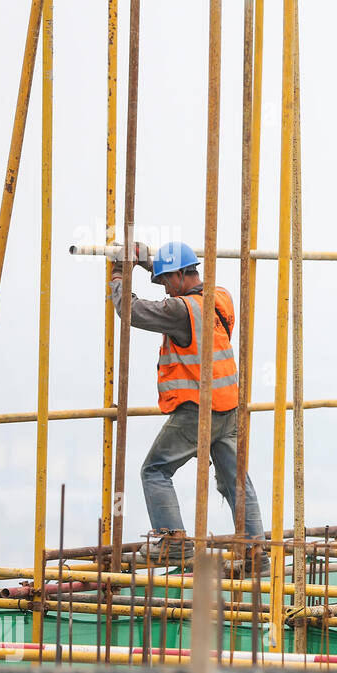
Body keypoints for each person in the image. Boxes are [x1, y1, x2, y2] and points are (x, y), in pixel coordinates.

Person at [110, 240, 264, 563]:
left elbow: (132, 311)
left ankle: (173, 541)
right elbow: (176, 278)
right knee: (236, 479)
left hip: (196, 410)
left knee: (154, 470)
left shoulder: (181, 311)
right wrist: (145, 261)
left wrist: (118, 274)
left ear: (181, 274)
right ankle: (255, 551)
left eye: (167, 280)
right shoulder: (220, 298)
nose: (165, 289)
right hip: (229, 409)